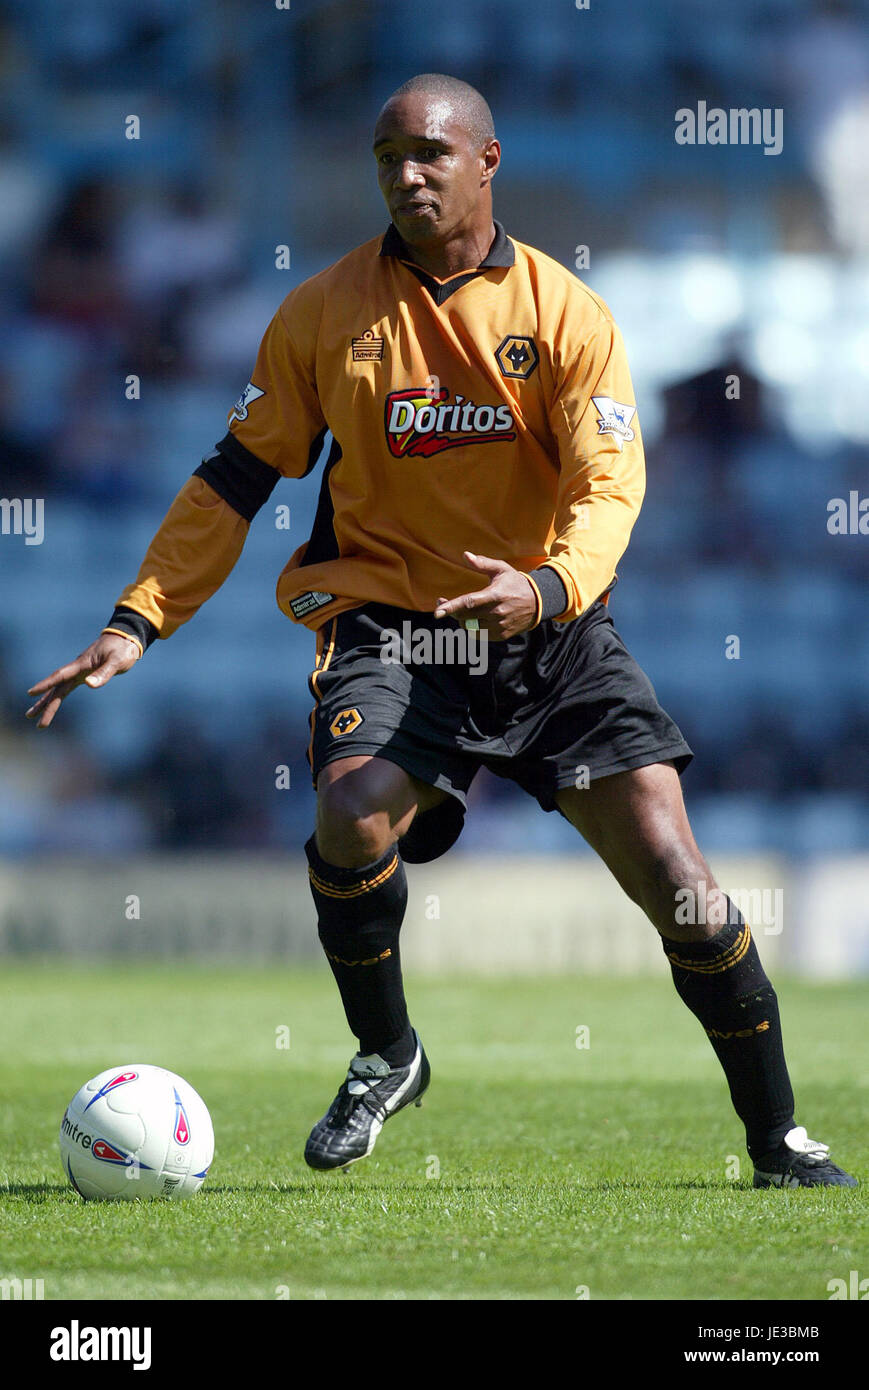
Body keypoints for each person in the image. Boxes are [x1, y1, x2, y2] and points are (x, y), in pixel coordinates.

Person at [26, 73, 855, 1189]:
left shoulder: (564, 313)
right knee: (351, 809)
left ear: (487, 162)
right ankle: (387, 1052)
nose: (405, 175)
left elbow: (611, 483)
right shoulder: (323, 310)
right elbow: (233, 475)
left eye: (427, 153)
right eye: (385, 159)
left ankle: (777, 1138)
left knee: (678, 878)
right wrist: (142, 616)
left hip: (550, 635)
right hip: (392, 630)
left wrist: (549, 587)